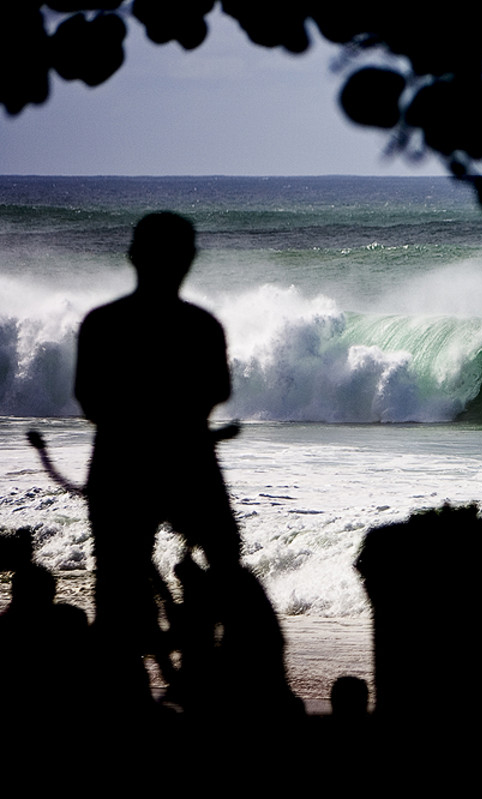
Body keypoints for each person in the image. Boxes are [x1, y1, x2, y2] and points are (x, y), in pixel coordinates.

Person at [75, 212, 242, 694]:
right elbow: (218, 391)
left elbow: (90, 401)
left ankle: (123, 688)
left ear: (133, 256)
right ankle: (212, 660)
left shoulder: (102, 323)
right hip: (188, 462)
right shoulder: (202, 325)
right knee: (225, 558)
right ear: (189, 260)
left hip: (119, 466)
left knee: (116, 580)